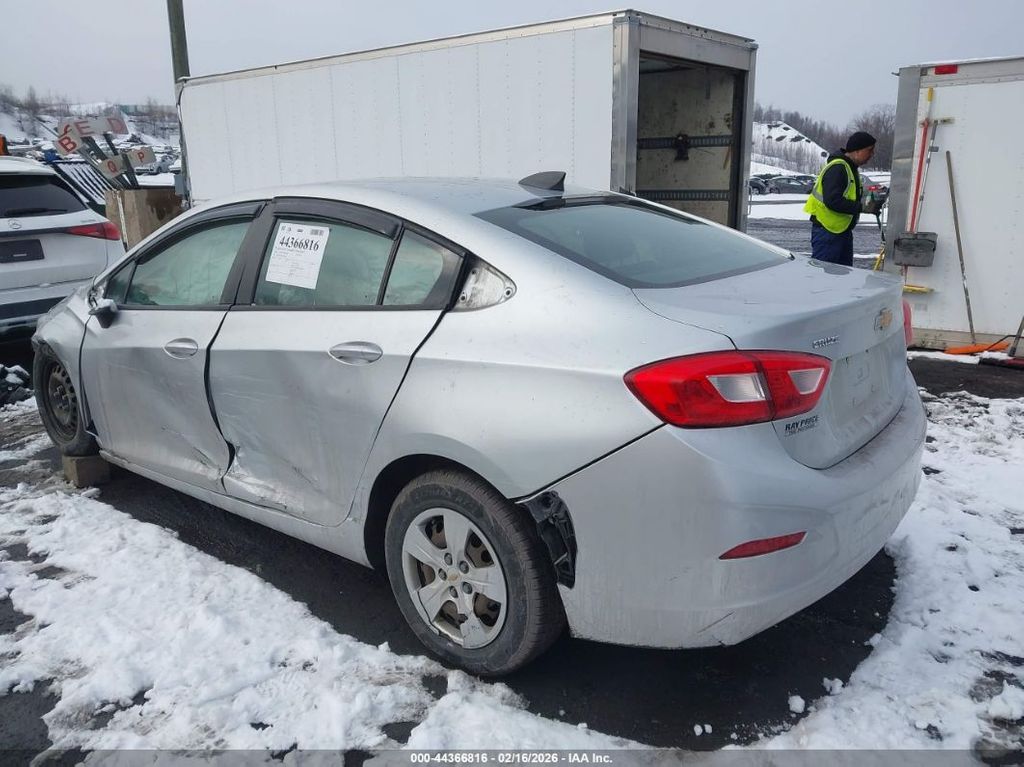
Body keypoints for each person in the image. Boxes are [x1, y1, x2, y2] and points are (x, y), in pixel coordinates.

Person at [803, 131, 883, 266]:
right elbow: (833, 201)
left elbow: (849, 195)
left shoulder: (850, 168)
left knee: (842, 277)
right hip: (828, 232)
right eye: (869, 150)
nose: (872, 154)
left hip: (840, 231)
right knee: (824, 278)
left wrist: (869, 202)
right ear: (857, 150)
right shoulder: (838, 168)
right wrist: (862, 207)